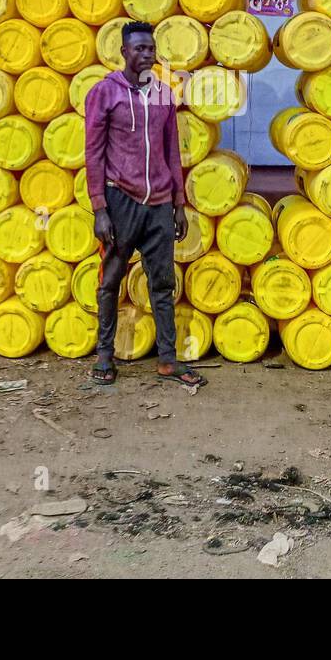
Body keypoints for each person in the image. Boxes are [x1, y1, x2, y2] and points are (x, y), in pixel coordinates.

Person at [83, 21, 207, 387]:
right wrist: (99, 208)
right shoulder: (104, 93)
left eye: (150, 48)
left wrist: (179, 203)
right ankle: (105, 354)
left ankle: (168, 360)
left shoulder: (165, 96)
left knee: (162, 283)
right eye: (139, 48)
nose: (147, 54)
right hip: (121, 200)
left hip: (159, 204)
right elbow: (93, 153)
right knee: (111, 280)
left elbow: (172, 150)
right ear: (123, 52)